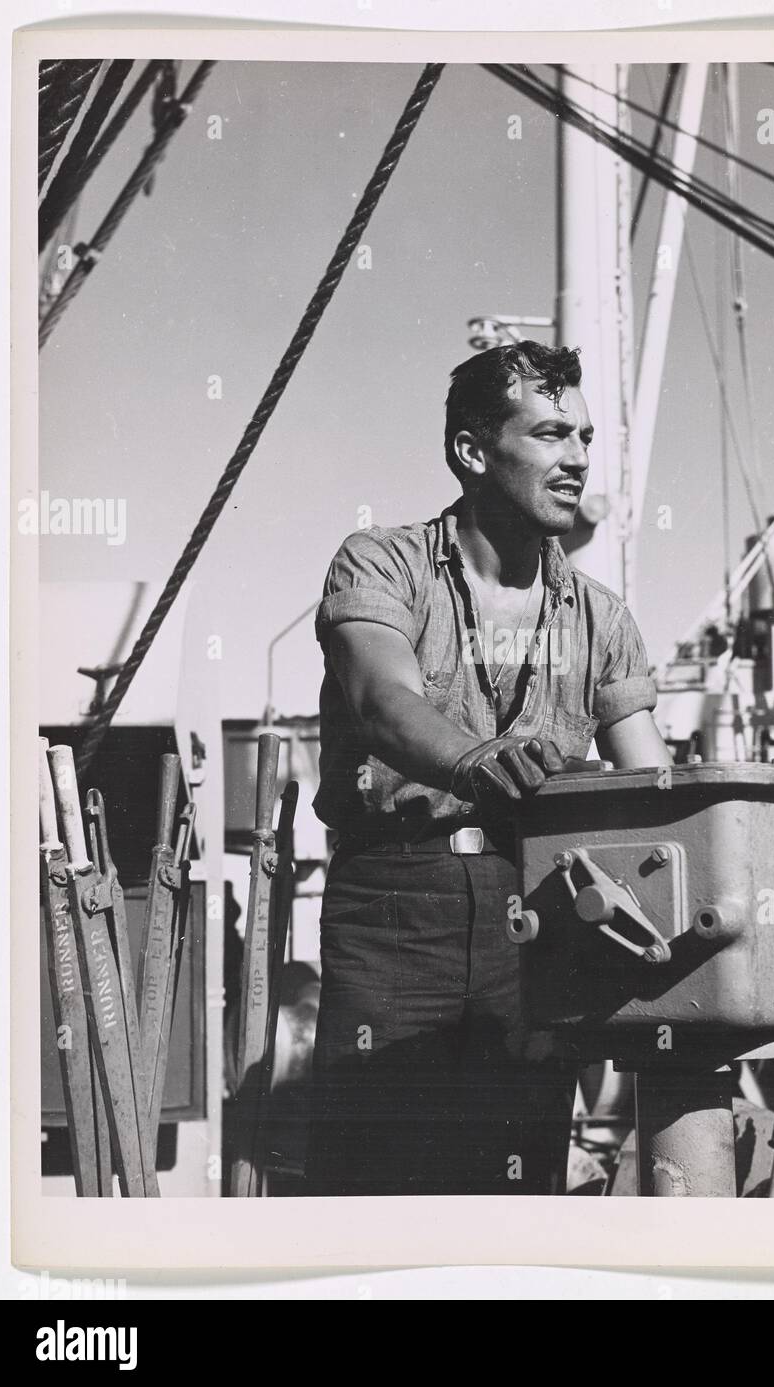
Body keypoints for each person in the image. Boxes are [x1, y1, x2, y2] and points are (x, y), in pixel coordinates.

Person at [304, 341, 671, 1196]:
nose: (577, 457)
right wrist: (475, 759)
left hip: (535, 911)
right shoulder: (383, 564)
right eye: (549, 434)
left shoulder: (603, 619)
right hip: (395, 904)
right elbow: (382, 702)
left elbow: (650, 795)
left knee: (515, 1182)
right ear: (472, 451)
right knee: (373, 1185)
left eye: (582, 436)